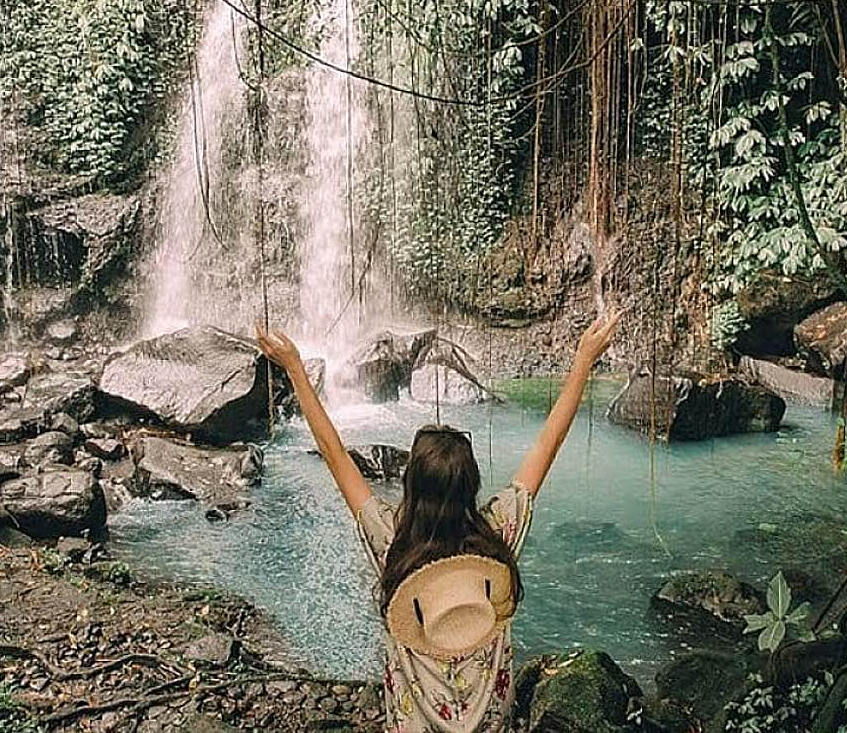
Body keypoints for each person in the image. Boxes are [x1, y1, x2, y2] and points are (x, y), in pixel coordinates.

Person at [254, 312, 622, 733]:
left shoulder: (393, 542)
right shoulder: (497, 536)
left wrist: (296, 368)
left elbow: (333, 452)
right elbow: (550, 441)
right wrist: (583, 360)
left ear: (410, 485)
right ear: (472, 485)